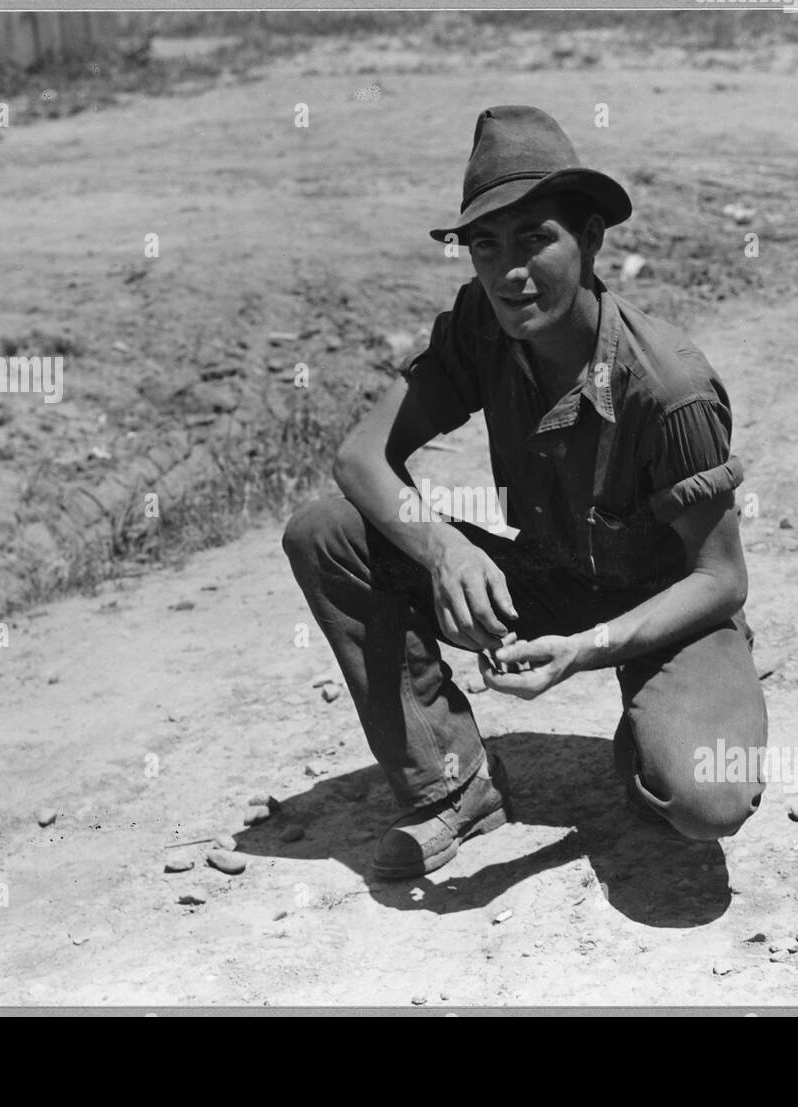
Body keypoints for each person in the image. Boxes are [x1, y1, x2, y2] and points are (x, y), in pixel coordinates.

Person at [283, 105, 768, 880]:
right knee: (326, 532)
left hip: (666, 606)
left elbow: (721, 577)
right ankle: (456, 784)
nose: (510, 272)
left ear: (592, 238)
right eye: (485, 244)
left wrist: (586, 651)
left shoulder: (668, 386)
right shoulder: (485, 325)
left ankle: (651, 741)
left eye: (535, 238)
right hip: (550, 579)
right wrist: (442, 550)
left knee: (705, 798)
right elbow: (362, 457)